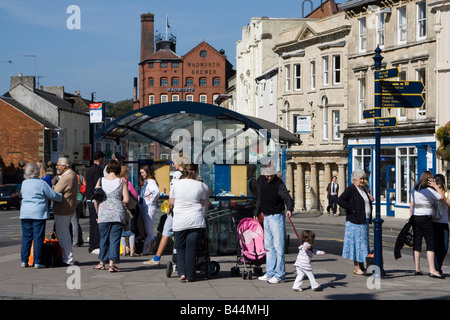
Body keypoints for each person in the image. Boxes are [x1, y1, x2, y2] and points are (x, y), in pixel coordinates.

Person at [253, 162, 294, 284]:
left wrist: (289, 209)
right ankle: (270, 272)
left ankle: (280, 274)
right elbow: (261, 198)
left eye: (272, 175)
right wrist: (257, 211)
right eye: (268, 175)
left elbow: (287, 198)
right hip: (266, 216)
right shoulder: (261, 181)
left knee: (278, 247)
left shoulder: (279, 184)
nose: (270, 178)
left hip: (276, 217)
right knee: (269, 246)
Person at [144, 155, 187, 265]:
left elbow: (173, 191)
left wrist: (169, 206)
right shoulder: (188, 174)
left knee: (166, 232)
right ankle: (177, 254)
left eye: (174, 162)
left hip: (176, 208)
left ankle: (157, 258)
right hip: (184, 208)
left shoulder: (177, 174)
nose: (173, 164)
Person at [169, 164, 207, 282]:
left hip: (180, 221)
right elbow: (203, 203)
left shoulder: (175, 184)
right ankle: (191, 275)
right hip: (196, 220)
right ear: (195, 172)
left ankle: (182, 273)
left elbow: (171, 202)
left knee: (180, 248)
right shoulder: (200, 185)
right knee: (192, 248)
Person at [20, 163, 62, 268]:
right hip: (38, 213)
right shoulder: (41, 183)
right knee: (38, 238)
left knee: (26, 238)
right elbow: (52, 195)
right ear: (37, 171)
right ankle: (37, 261)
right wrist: (61, 196)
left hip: (25, 213)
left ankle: (24, 261)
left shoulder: (24, 183)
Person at [93, 160, 130, 272]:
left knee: (103, 238)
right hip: (117, 214)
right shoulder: (121, 182)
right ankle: (112, 265)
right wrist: (118, 200)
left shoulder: (101, 181)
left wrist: (97, 212)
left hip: (103, 214)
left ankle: (101, 263)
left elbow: (95, 198)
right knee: (114, 239)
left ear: (108, 169)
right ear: (118, 169)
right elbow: (127, 200)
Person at [336, 169, 374, 275]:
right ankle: (356, 267)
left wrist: (370, 198)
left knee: (363, 245)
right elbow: (340, 200)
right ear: (354, 179)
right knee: (357, 245)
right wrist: (352, 208)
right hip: (355, 222)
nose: (362, 180)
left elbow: (363, 201)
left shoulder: (363, 189)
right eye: (360, 178)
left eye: (363, 178)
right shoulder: (351, 189)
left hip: (364, 221)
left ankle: (361, 266)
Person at [410, 171, 446, 279]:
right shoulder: (429, 191)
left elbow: (411, 204)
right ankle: (432, 270)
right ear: (430, 180)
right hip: (426, 218)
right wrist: (435, 186)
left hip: (416, 217)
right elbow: (442, 197)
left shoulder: (415, 189)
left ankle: (417, 269)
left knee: (417, 243)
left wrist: (411, 216)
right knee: (430, 244)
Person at [52, 157, 78, 266]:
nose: (57, 167)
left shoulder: (67, 176)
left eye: (58, 165)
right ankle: (66, 257)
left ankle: (67, 258)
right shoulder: (71, 175)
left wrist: (54, 186)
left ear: (64, 166)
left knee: (63, 234)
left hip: (63, 208)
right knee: (64, 233)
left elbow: (55, 191)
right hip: (67, 208)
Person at [139, 165, 160, 255]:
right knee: (147, 228)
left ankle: (148, 249)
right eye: (141, 173)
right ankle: (147, 248)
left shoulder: (151, 182)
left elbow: (157, 192)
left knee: (149, 229)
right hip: (145, 207)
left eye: (143, 172)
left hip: (149, 207)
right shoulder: (146, 182)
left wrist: (151, 199)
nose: (142, 174)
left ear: (147, 172)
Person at [86, 151, 105, 254]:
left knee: (92, 222)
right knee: (97, 222)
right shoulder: (98, 170)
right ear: (100, 158)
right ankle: (96, 245)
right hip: (95, 199)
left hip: (89, 198)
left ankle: (91, 245)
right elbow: (98, 186)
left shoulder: (90, 169)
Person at [432, 174, 450, 276]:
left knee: (444, 247)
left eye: (438, 181)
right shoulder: (432, 192)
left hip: (443, 223)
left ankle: (439, 266)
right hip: (433, 223)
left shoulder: (447, 193)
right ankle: (436, 268)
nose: (436, 182)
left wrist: (442, 194)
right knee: (436, 246)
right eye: (435, 181)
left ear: (442, 182)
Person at [119, 166, 139, 257]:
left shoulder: (117, 182)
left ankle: (123, 251)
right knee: (131, 231)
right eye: (127, 173)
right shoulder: (127, 183)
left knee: (122, 232)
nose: (128, 175)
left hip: (119, 208)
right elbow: (135, 195)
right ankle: (132, 251)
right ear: (125, 174)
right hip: (128, 209)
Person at [71, 167, 85, 247]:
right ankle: (80, 239)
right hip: (80, 200)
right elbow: (85, 186)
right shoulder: (80, 177)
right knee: (77, 220)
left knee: (74, 222)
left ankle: (75, 242)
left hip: (73, 200)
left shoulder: (70, 177)